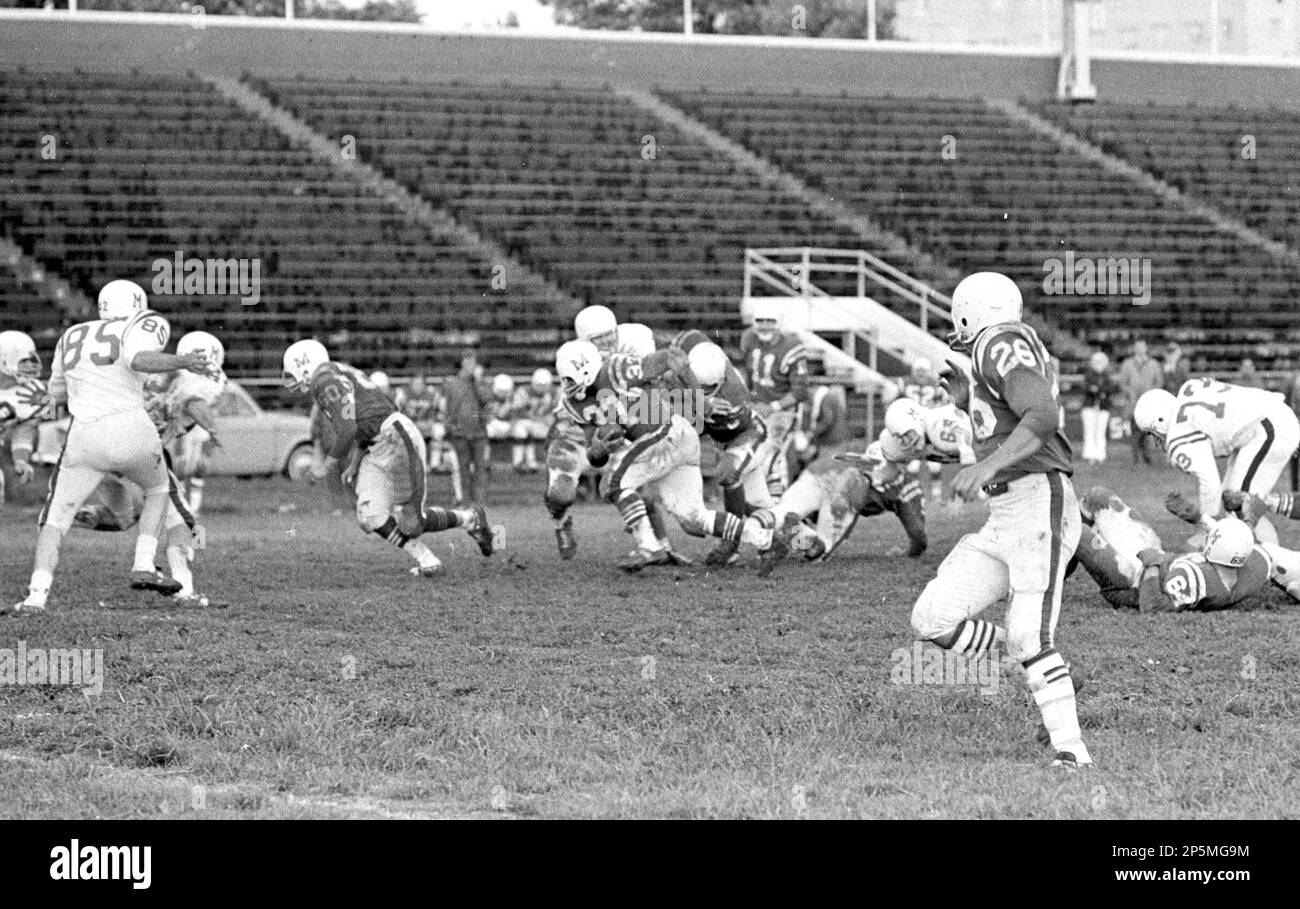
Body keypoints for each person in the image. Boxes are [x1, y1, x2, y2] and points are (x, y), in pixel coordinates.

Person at [909, 272, 1090, 770]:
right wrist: (968, 400)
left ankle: (1072, 754)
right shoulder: (994, 349)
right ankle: (1034, 669)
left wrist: (986, 466)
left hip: (1037, 502)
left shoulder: (999, 340)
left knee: (1032, 637)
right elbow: (1010, 418)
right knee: (932, 619)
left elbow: (1043, 415)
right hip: (1007, 514)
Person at [7, 280, 212, 615]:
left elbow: (54, 395)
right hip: (132, 428)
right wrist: (182, 361)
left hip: (84, 436)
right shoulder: (143, 325)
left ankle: (36, 596)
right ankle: (144, 563)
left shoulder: (70, 335)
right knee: (159, 489)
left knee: (54, 519)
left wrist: (28, 411)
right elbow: (139, 358)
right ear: (137, 304)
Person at [283, 339, 494, 577]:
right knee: (370, 516)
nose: (292, 382)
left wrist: (327, 464)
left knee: (411, 524)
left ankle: (470, 518)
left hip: (395, 438)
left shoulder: (324, 380)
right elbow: (366, 417)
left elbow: (348, 428)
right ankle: (426, 558)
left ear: (304, 365)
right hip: (378, 443)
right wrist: (354, 463)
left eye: (293, 373)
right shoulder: (338, 372)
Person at [1135, 375, 1300, 546]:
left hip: (1268, 428)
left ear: (1160, 421)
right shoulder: (1189, 387)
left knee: (1242, 508)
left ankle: (1269, 561)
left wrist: (1205, 524)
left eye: (1151, 433)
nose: (1155, 440)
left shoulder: (1179, 436)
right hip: (1270, 418)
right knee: (1232, 502)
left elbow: (1210, 483)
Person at [442, 352, 490, 506]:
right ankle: (466, 503)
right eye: (468, 362)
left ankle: (479, 503)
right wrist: (450, 427)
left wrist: (477, 382)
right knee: (463, 469)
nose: (471, 366)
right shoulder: (451, 384)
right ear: (462, 364)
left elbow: (485, 399)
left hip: (479, 433)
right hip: (459, 433)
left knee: (480, 469)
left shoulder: (481, 382)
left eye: (473, 363)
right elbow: (448, 408)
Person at [1118, 339, 1164, 464]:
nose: (1139, 349)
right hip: (1132, 403)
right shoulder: (1127, 364)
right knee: (1134, 432)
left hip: (1148, 404)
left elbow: (1159, 382)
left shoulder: (1154, 364)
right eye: (1137, 347)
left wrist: (1150, 394)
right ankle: (1135, 458)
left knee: (1149, 431)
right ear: (1134, 349)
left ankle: (1148, 457)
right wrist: (1130, 392)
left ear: (1146, 348)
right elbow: (1122, 382)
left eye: (1142, 347)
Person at [1079, 350, 1118, 465]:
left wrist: (1098, 390)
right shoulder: (1088, 374)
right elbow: (1087, 388)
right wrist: (1099, 390)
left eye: (1101, 361)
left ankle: (1100, 455)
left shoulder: (1107, 376)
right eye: (1096, 361)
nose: (1098, 363)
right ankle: (1089, 455)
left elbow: (1111, 389)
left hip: (1103, 407)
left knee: (1100, 432)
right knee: (1089, 431)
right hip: (1089, 406)